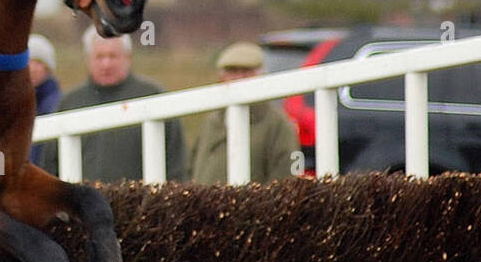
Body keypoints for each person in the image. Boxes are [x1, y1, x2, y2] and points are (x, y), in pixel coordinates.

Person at [57, 30, 188, 182]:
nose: (106, 64)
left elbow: (176, 162)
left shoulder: (153, 97)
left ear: (128, 57)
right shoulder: (70, 102)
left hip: (142, 203)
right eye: (99, 57)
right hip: (84, 203)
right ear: (88, 59)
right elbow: (51, 164)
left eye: (113, 56)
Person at [190, 41, 300, 183]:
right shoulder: (212, 121)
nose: (239, 78)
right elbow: (192, 166)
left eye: (247, 72)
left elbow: (285, 177)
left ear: (261, 76)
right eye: (232, 71)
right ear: (221, 77)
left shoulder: (277, 124)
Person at [27, 34, 62, 175]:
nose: (33, 68)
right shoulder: (12, 105)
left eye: (39, 63)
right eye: (29, 61)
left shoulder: (57, 104)